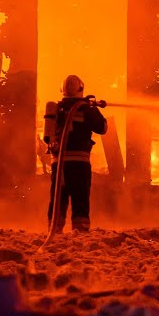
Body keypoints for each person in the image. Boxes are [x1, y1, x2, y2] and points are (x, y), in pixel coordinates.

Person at [44, 75, 107, 233]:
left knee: (58, 198)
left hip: (58, 164)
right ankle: (80, 232)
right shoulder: (86, 109)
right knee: (80, 198)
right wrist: (94, 108)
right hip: (79, 163)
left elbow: (48, 136)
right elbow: (103, 128)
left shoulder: (56, 109)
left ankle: (54, 231)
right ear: (80, 89)